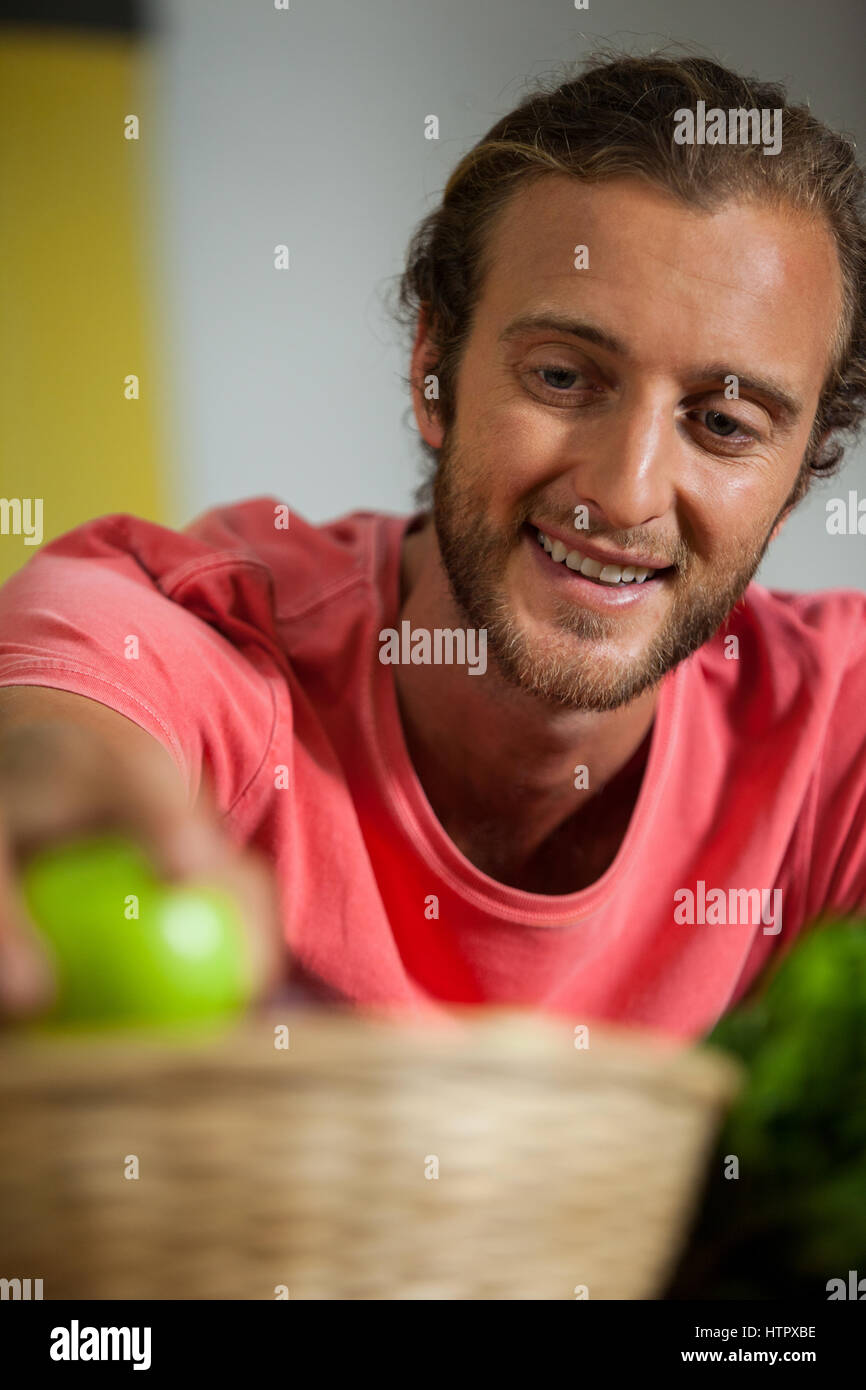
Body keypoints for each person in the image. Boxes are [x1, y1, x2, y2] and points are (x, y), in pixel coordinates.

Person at [1, 51, 864, 1037]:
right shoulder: (220, 635)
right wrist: (44, 758)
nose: (622, 494)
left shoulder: (834, 738)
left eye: (720, 423)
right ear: (432, 372)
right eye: (561, 377)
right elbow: (82, 684)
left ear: (796, 477)